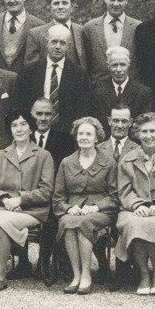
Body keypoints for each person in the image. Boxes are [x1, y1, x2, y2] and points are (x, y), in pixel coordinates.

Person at [0, 107, 54, 291]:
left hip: (32, 210)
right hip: (2, 207)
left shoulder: (43, 156)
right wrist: (5, 200)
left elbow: (46, 191)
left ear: (31, 128)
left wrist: (20, 200)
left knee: (0, 222)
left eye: (23, 124)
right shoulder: (0, 155)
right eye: (14, 125)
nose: (19, 129)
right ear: (10, 130)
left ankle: (1, 274)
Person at [115, 113, 155, 295]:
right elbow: (124, 191)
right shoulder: (127, 159)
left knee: (152, 223)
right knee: (136, 223)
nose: (148, 135)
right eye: (144, 131)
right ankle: (145, 274)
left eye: (152, 131)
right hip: (133, 208)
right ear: (137, 133)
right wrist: (138, 206)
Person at [54, 116, 119, 295]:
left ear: (97, 138)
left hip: (101, 210)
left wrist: (96, 207)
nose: (84, 137)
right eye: (80, 133)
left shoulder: (108, 162)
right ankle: (76, 275)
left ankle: (86, 275)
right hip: (74, 209)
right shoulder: (67, 162)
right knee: (67, 222)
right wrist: (68, 208)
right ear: (76, 137)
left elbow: (114, 196)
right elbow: (58, 197)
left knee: (84, 223)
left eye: (88, 134)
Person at [15, 23, 93, 133]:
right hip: (35, 132)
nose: (57, 46)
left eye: (62, 43)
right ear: (46, 42)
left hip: (66, 136)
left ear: (69, 45)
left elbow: (83, 108)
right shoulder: (28, 72)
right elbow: (21, 104)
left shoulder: (79, 75)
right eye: (54, 42)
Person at [82, 0, 141, 84]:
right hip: (98, 92)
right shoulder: (90, 28)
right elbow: (86, 65)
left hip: (130, 90)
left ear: (127, 0)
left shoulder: (138, 27)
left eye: (120, 0)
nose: (116, 3)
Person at [25, 0, 88, 75]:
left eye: (64, 3)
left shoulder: (81, 31)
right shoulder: (36, 34)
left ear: (72, 7)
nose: (60, 7)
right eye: (56, 3)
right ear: (50, 8)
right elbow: (30, 70)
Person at [92, 46, 153, 121]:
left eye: (122, 64)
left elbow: (144, 123)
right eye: (114, 65)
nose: (119, 69)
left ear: (129, 65)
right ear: (108, 66)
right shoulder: (97, 91)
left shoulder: (143, 92)